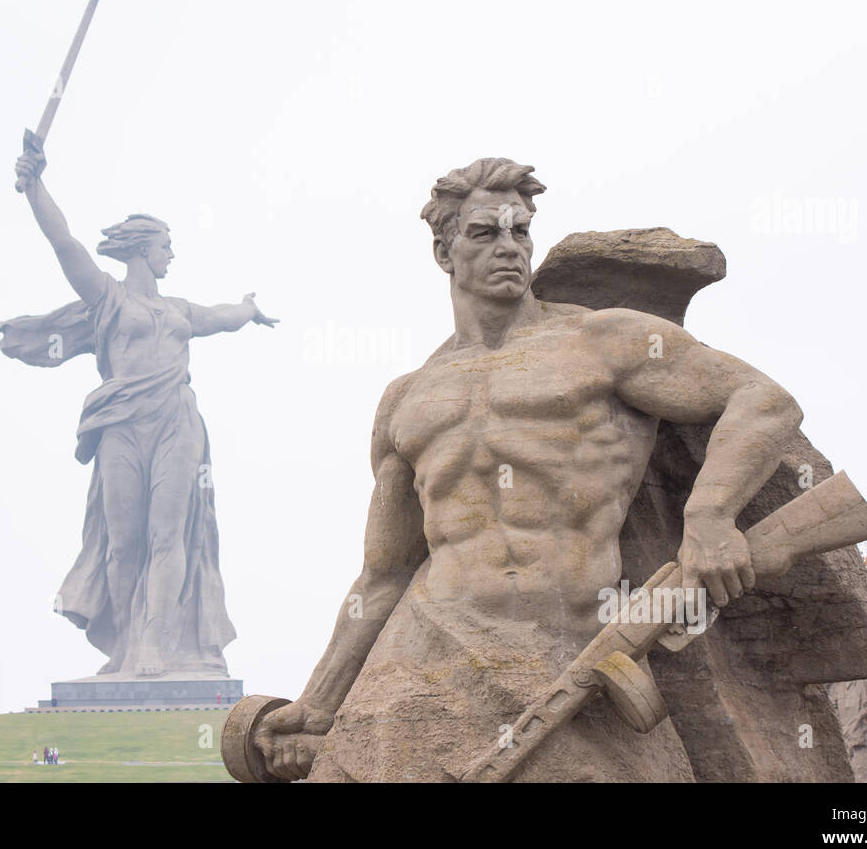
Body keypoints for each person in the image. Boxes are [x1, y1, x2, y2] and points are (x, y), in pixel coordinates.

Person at [254, 158, 806, 782]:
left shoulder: (604, 342)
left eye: (520, 233)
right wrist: (319, 703)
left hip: (568, 653)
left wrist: (711, 515)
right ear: (444, 252)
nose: (509, 248)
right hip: (421, 657)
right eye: (486, 234)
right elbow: (383, 575)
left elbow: (763, 401)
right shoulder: (406, 399)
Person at [1, 145, 277, 677]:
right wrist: (35, 186)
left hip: (176, 421)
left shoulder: (178, 310)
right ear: (143, 250)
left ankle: (155, 644)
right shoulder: (107, 298)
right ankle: (127, 645)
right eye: (166, 246)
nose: (171, 255)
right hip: (121, 427)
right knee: (123, 542)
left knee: (168, 535)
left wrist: (248, 308)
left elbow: (222, 317)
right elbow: (65, 243)